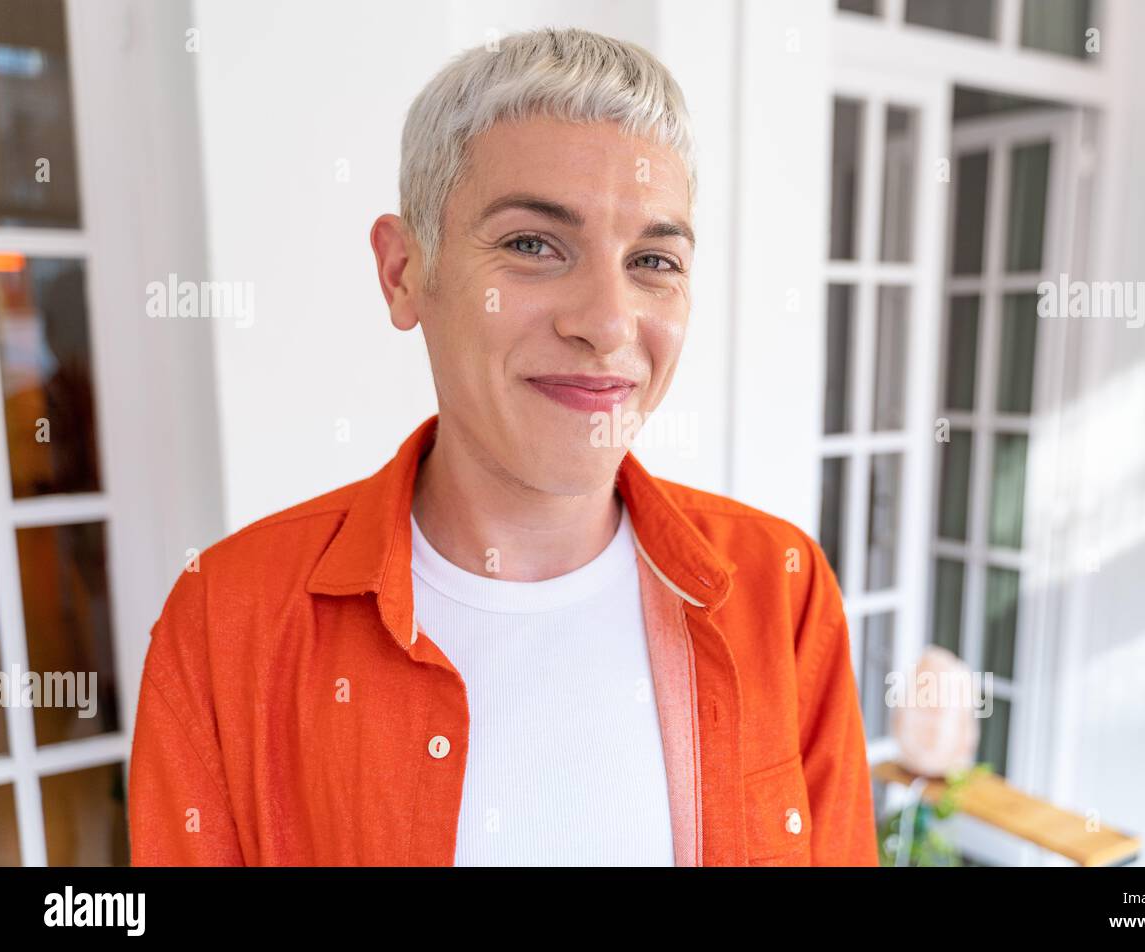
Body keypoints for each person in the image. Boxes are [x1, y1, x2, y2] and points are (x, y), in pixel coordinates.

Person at [128, 26, 878, 867]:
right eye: (532, 245)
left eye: (654, 260)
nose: (606, 322)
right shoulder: (226, 620)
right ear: (404, 272)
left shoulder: (783, 589)